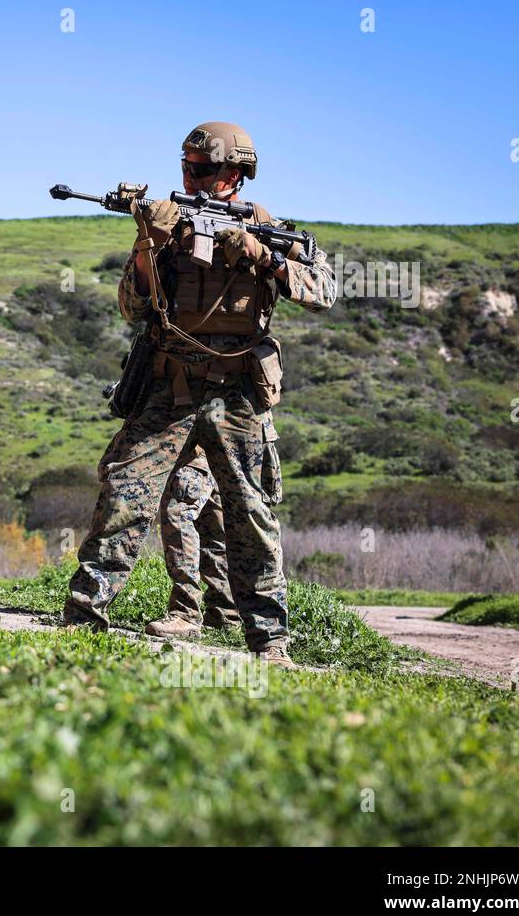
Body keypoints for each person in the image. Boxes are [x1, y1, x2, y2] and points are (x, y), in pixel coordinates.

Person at [61, 121, 335, 668]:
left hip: (236, 391)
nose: (190, 177)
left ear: (236, 174)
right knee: (124, 488)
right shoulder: (169, 225)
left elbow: (324, 292)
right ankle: (84, 616)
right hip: (170, 382)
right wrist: (148, 244)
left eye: (203, 169)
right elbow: (133, 308)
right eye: (186, 168)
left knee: (249, 511)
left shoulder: (274, 230)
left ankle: (268, 639)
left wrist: (263, 256)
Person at [152, 447, 239, 634]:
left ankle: (186, 613)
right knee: (214, 528)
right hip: (226, 450)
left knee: (178, 513)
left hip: (198, 447)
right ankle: (225, 614)